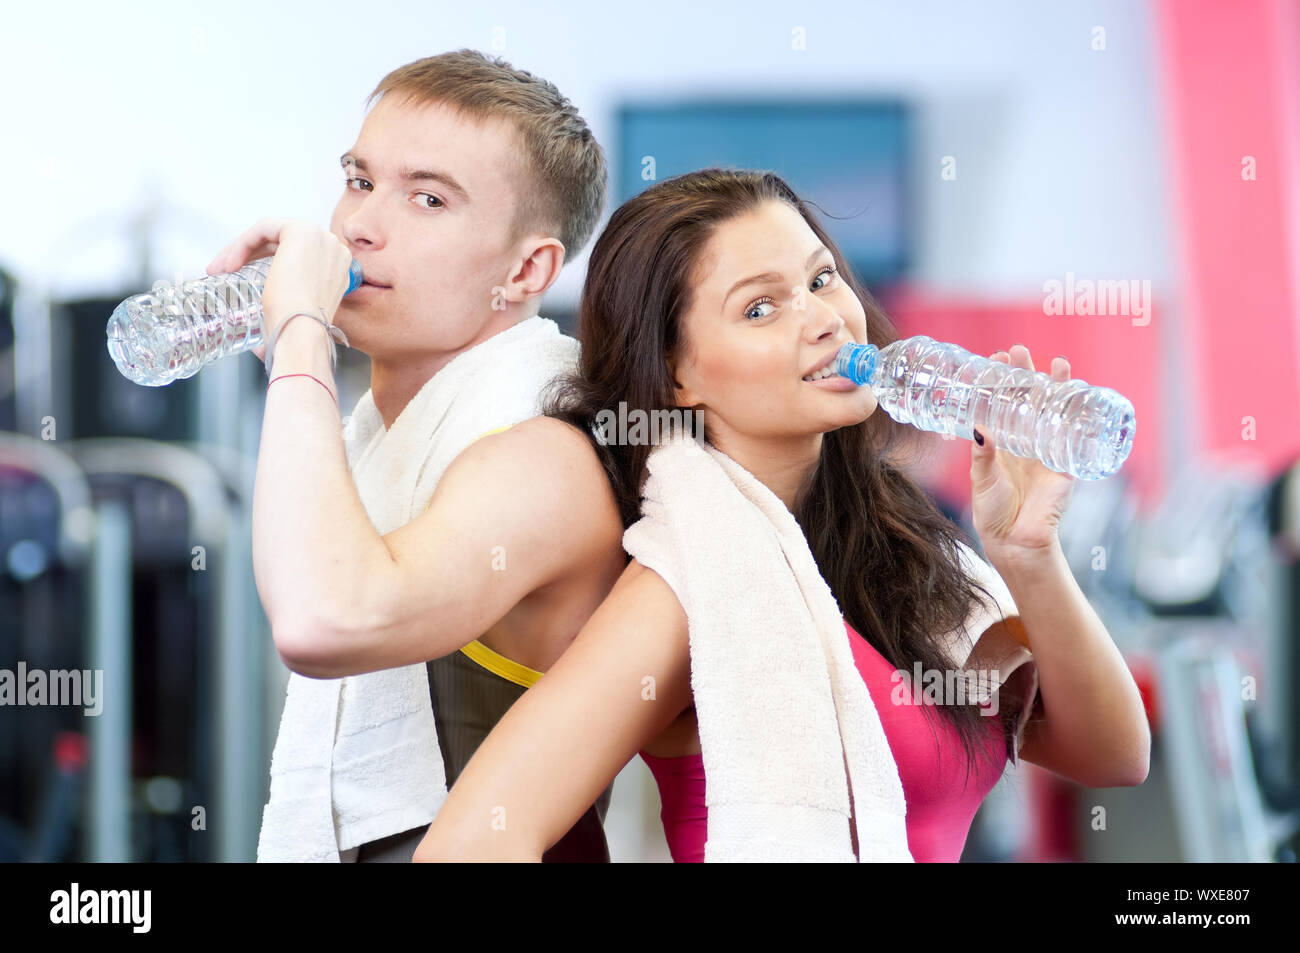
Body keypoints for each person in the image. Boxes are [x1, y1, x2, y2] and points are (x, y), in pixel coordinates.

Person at [412, 168, 1152, 862]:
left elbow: (1111, 755)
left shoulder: (896, 544)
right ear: (678, 376)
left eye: (821, 278)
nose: (825, 318)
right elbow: (472, 842)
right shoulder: (690, 588)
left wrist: (1029, 553)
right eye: (760, 307)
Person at [209, 49, 628, 862]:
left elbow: (323, 617)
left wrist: (298, 332)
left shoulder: (550, 452)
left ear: (526, 269)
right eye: (360, 180)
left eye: (427, 198)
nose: (359, 225)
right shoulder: (378, 430)